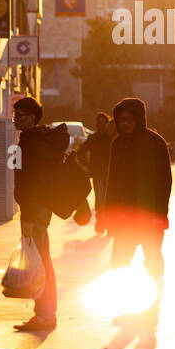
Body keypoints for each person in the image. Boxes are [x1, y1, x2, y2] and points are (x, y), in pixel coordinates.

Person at [11, 96, 68, 332]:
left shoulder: (31, 142)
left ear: (33, 117)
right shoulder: (36, 139)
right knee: (40, 260)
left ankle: (45, 315)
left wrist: (28, 216)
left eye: (21, 115)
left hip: (35, 209)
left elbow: (32, 181)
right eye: (15, 114)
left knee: (40, 261)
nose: (17, 119)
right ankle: (44, 313)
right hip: (39, 207)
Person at [102, 97, 172, 285]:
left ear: (139, 119)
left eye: (129, 119)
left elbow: (165, 180)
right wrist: (108, 213)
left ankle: (155, 295)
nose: (125, 124)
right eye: (121, 120)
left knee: (152, 258)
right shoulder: (117, 144)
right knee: (120, 258)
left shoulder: (155, 143)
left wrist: (161, 213)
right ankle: (126, 296)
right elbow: (113, 180)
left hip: (150, 214)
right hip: (125, 215)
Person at [79, 112, 115, 233]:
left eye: (102, 123)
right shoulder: (93, 138)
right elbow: (80, 152)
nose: (99, 126)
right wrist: (87, 166)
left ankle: (109, 224)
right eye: (97, 123)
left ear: (107, 124)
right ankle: (101, 222)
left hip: (112, 176)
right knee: (100, 200)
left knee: (110, 201)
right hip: (98, 174)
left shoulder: (113, 138)